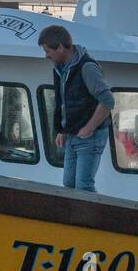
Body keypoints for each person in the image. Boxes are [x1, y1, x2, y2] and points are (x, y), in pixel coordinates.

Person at [37, 25, 115, 193]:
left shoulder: (87, 68)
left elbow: (107, 101)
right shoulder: (61, 69)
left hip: (90, 137)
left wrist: (88, 128)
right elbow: (67, 103)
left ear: (59, 47)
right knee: (69, 184)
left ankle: (92, 218)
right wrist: (64, 130)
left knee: (83, 186)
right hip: (72, 134)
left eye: (48, 50)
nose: (46, 56)